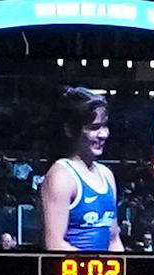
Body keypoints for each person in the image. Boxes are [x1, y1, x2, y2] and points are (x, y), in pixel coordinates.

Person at [37, 91, 123, 254]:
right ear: (70, 130)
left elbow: (113, 239)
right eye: (94, 128)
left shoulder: (106, 175)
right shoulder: (61, 176)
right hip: (74, 274)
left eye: (105, 126)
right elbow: (55, 245)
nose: (104, 134)